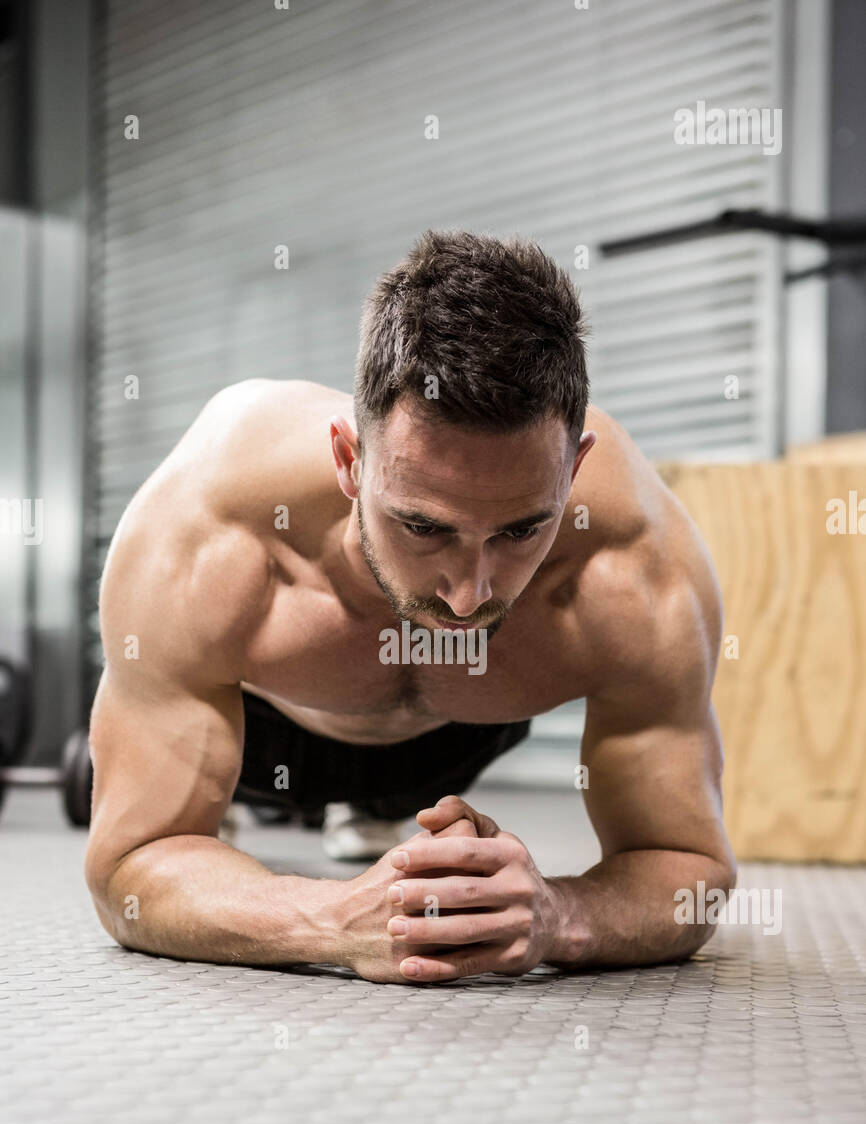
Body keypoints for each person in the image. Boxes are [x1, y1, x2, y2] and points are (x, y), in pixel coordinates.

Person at [84, 229, 736, 984]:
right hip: (268, 732)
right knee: (168, 802)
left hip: (453, 745)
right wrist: (333, 918)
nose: (470, 595)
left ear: (575, 468)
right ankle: (227, 792)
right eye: (424, 527)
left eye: (523, 530)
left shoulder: (635, 565)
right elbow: (128, 868)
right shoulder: (211, 526)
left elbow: (688, 869)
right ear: (348, 460)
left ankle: (371, 810)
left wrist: (559, 914)